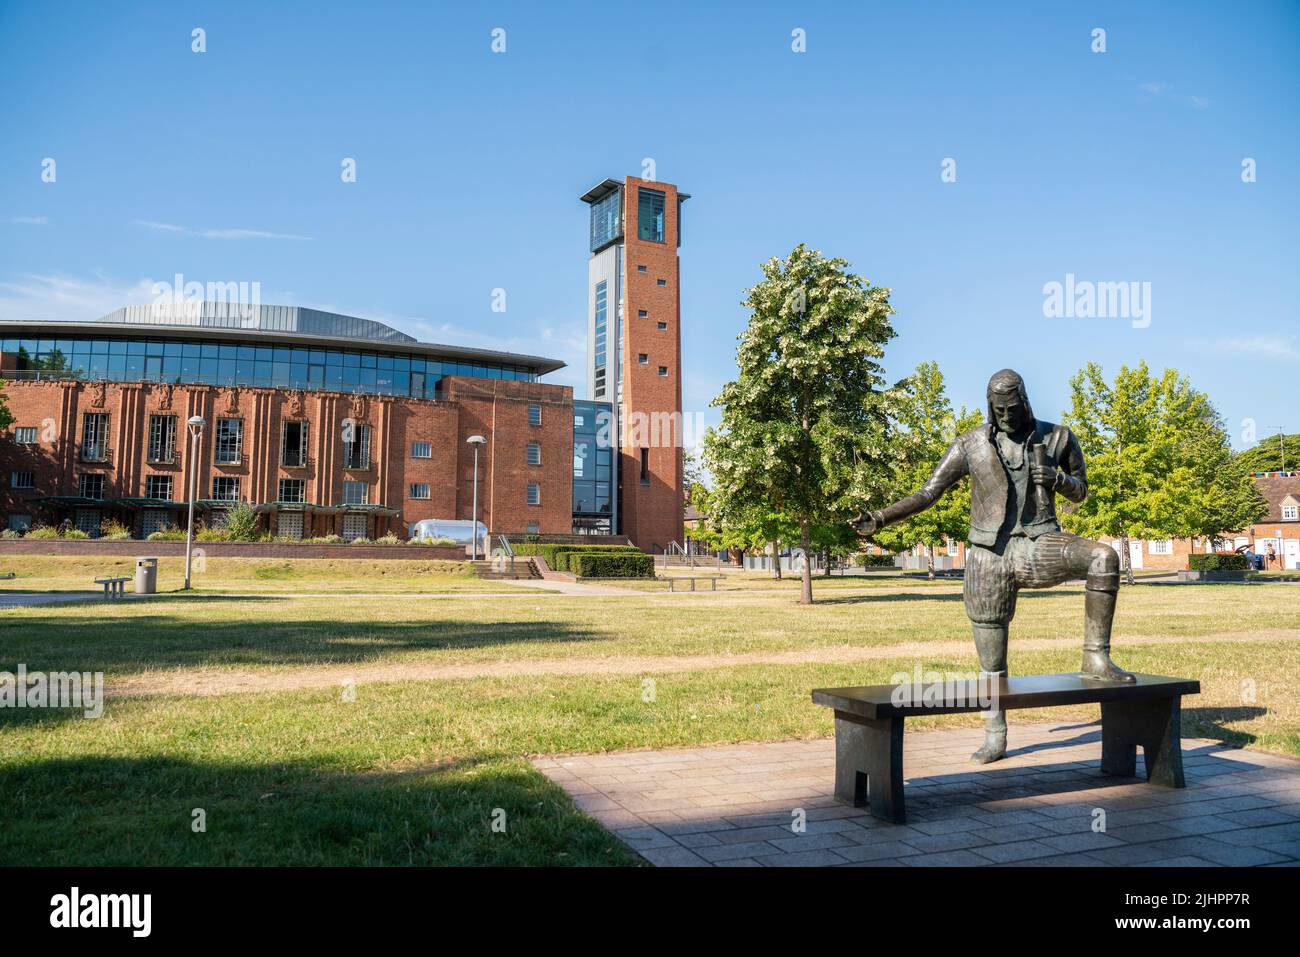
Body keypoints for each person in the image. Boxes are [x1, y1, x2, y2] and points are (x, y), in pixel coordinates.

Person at [852, 369, 1134, 766]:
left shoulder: (1057, 437)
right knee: (991, 659)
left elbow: (1081, 489)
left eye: (1012, 408)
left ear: (1025, 401)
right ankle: (995, 733)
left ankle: (1095, 657)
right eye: (998, 410)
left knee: (1104, 557)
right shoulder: (970, 444)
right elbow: (930, 492)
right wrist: (881, 518)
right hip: (989, 554)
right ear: (989, 406)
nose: (1006, 416)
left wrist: (1056, 479)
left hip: (1040, 543)